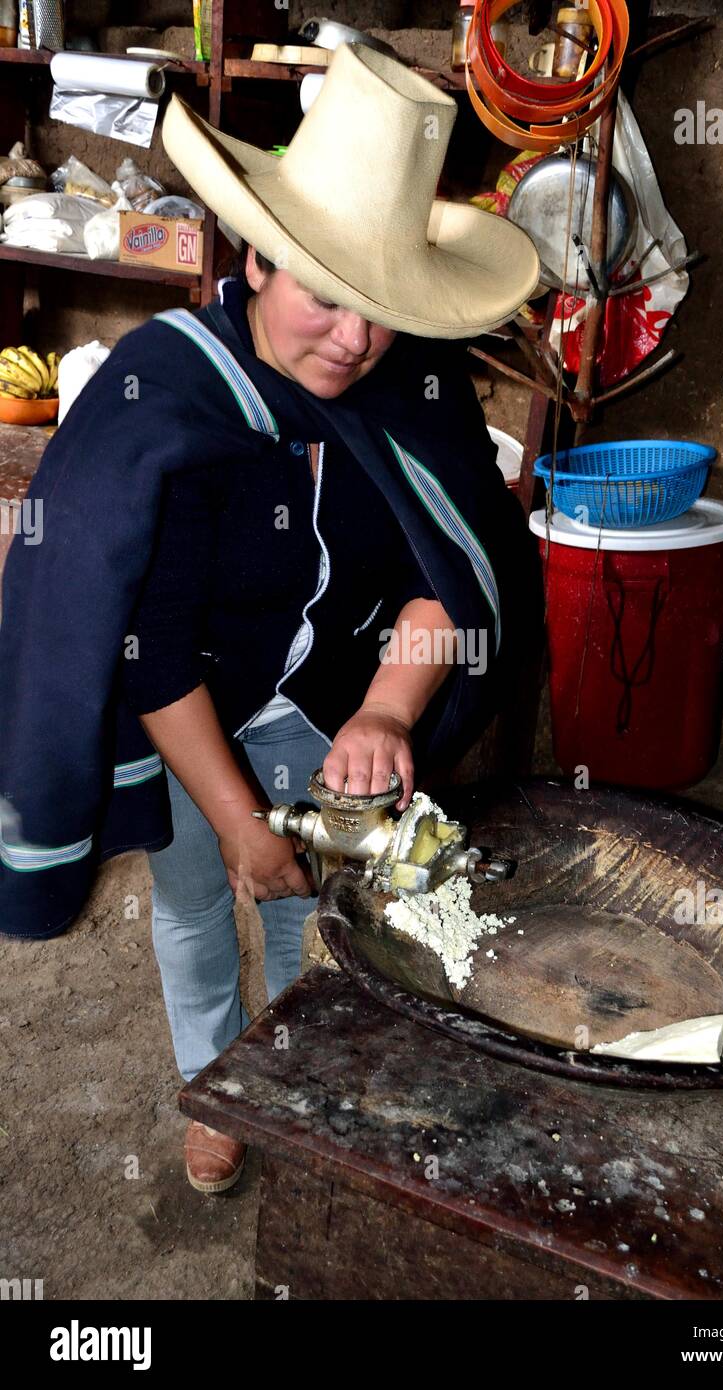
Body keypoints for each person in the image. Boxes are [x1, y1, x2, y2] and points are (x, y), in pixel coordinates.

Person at [0, 44, 542, 1192]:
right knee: (201, 893)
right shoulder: (164, 399)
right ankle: (214, 1078)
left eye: (381, 311)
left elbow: (444, 576)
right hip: (185, 700)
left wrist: (389, 714)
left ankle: (292, 1065)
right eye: (324, 296)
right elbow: (135, 643)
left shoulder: (414, 393)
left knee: (321, 900)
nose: (353, 341)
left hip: (325, 696)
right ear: (254, 256)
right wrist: (240, 817)